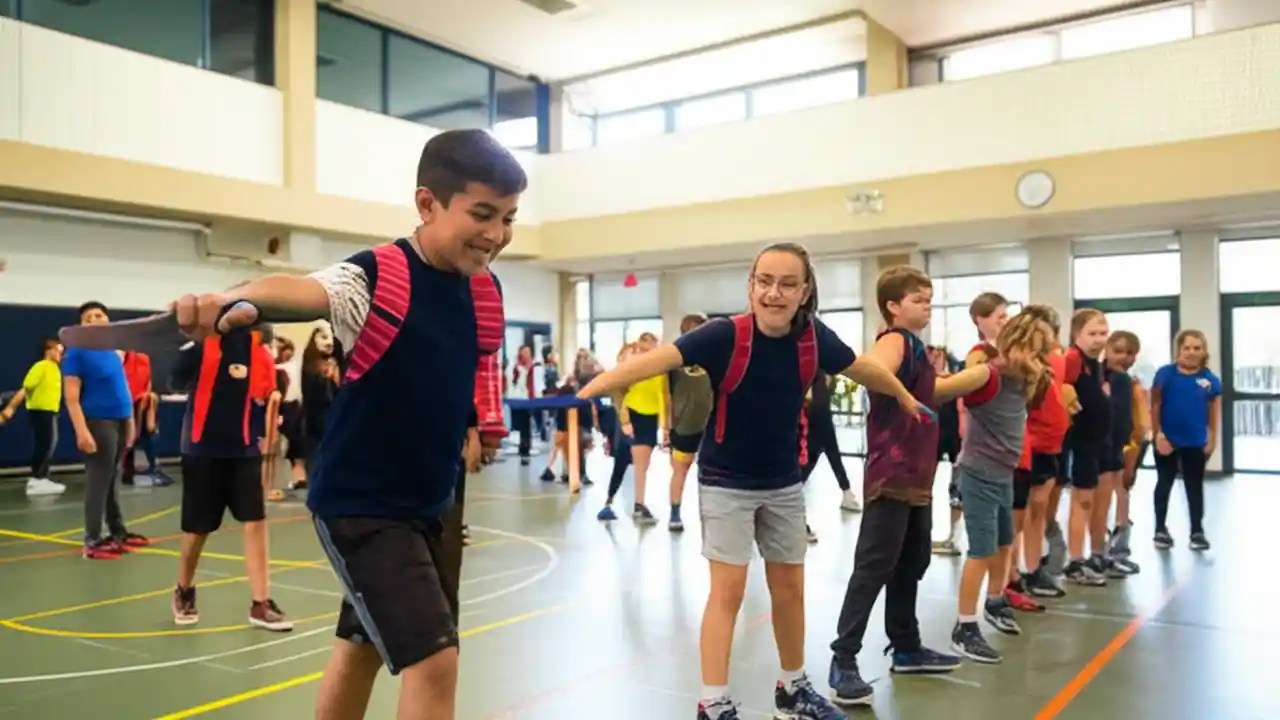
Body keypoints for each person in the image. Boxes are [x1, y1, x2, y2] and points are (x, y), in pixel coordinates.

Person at [168, 129, 526, 720]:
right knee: (434, 662)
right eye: (482, 214)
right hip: (363, 506)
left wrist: (479, 428)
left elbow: (467, 374)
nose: (496, 235)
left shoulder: (484, 290)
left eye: (509, 218)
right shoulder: (377, 279)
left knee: (360, 647)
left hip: (432, 503)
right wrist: (229, 300)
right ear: (427, 203)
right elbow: (304, 290)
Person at [581, 243, 927, 720]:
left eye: (787, 283)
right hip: (726, 483)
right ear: (751, 285)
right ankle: (713, 701)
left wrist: (902, 393)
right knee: (727, 594)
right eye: (764, 281)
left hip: (784, 484)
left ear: (805, 291)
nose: (774, 293)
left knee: (790, 589)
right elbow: (662, 358)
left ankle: (792, 690)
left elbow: (859, 365)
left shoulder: (812, 338)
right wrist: (599, 384)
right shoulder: (724, 335)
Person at [827, 265, 993, 707]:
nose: (927, 307)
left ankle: (906, 646)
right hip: (891, 474)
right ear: (893, 306)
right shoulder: (894, 342)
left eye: (929, 300)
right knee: (874, 567)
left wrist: (971, 378)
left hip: (918, 475)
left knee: (911, 562)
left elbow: (929, 394)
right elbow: (871, 371)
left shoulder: (918, 348)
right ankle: (843, 658)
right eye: (918, 300)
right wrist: (906, 390)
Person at [168, 326, 292, 631]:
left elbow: (265, 393)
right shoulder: (202, 345)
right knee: (197, 529)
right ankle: (184, 589)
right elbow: (173, 381)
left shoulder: (258, 351)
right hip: (203, 449)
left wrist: (271, 413)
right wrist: (192, 344)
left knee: (256, 522)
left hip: (245, 449)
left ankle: (260, 603)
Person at [949, 311, 1055, 663]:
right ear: (1020, 347)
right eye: (1037, 353)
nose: (1041, 361)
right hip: (978, 473)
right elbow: (943, 389)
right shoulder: (988, 374)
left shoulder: (1021, 378)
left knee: (1004, 543)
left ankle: (995, 599)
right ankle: (964, 626)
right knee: (981, 550)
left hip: (1003, 473)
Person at [63, 302, 151, 559]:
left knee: (113, 478)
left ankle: (117, 531)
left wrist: (131, 423)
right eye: (87, 317)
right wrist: (82, 431)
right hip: (98, 422)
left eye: (98, 315)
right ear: (81, 326)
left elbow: (123, 391)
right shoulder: (76, 353)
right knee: (98, 481)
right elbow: (71, 397)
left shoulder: (113, 353)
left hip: (120, 420)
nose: (94, 319)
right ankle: (92, 540)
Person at [1151, 329, 1219, 551]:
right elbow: (1155, 405)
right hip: (1167, 440)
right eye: (1186, 348)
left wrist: (1212, 438)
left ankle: (1197, 531)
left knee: (1194, 485)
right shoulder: (1165, 375)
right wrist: (1157, 433)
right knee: (1164, 482)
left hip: (1195, 442)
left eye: (1196, 348)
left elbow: (1213, 410)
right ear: (1178, 350)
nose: (1191, 352)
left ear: (1203, 351)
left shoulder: (1209, 380)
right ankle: (1160, 529)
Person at [1062, 309, 1113, 586]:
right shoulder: (1073, 359)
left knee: (1090, 501)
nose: (1098, 339)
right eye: (1092, 334)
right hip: (1078, 442)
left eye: (1103, 333)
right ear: (1076, 335)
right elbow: (1062, 390)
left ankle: (1088, 555)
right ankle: (1075, 561)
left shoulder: (1096, 364)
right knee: (1081, 501)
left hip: (1095, 443)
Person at [599, 332, 666, 524]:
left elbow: (662, 393)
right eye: (652, 343)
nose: (655, 346)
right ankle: (616, 501)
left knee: (642, 463)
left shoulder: (659, 366)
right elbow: (618, 393)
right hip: (633, 414)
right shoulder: (631, 363)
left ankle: (637, 503)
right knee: (624, 461)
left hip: (651, 416)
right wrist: (625, 420)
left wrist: (665, 424)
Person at [1097, 330, 1142, 575]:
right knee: (1103, 496)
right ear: (1107, 350)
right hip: (1105, 444)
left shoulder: (1128, 381)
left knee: (1123, 492)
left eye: (1129, 353)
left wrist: (1131, 447)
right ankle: (1103, 551)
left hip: (1123, 443)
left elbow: (1129, 418)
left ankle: (1119, 549)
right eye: (1117, 351)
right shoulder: (1102, 377)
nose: (1123, 357)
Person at [0, 338, 67, 496]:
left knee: (49, 443)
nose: (60, 355)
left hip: (51, 411)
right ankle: (36, 479)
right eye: (57, 351)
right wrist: (10, 408)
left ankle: (42, 476)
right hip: (41, 411)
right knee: (45, 443)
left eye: (62, 352)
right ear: (48, 351)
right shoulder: (41, 366)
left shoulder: (55, 369)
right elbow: (26, 389)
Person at [667, 313, 715, 531]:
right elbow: (666, 395)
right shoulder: (674, 360)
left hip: (712, 424)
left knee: (713, 476)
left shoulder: (716, 357)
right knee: (680, 470)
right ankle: (674, 513)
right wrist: (667, 426)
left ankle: (714, 518)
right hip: (684, 425)